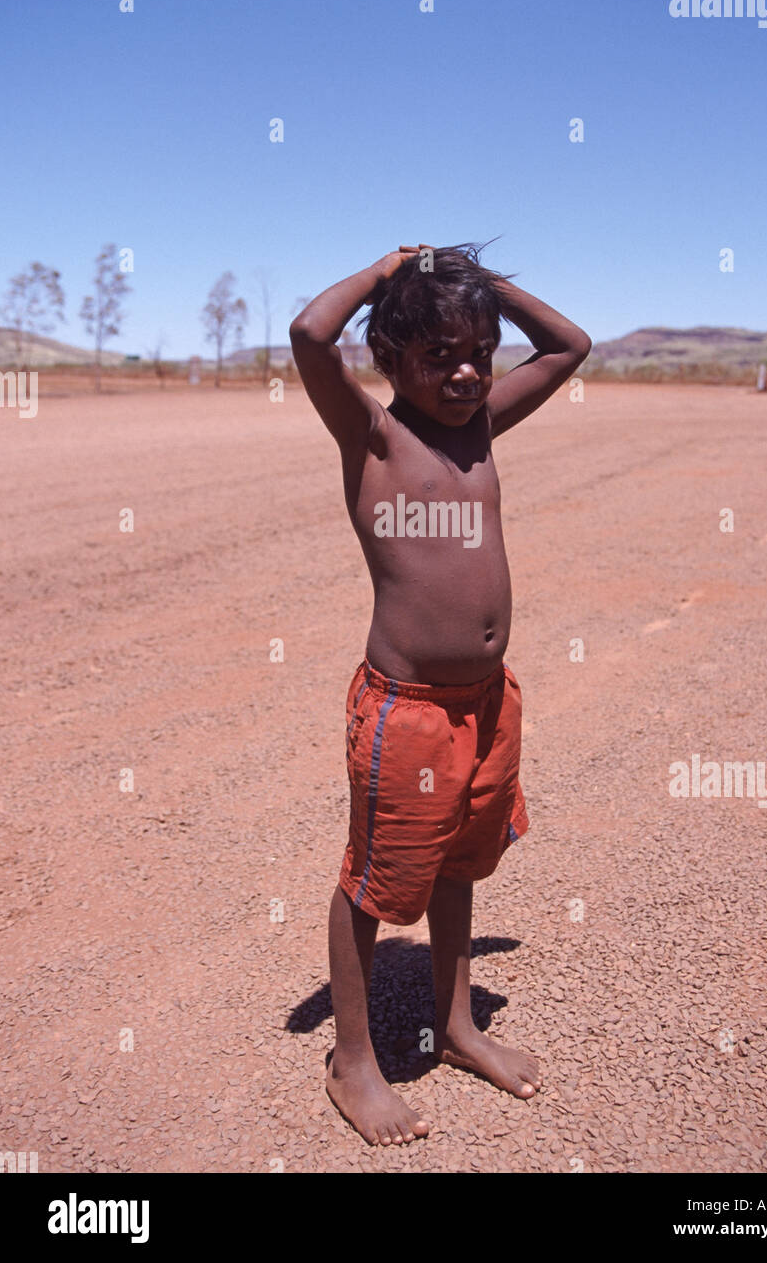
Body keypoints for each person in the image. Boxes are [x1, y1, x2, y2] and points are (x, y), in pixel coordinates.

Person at [290, 242, 591, 1146]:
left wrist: (476, 283)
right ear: (390, 362)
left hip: (489, 702)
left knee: (463, 863)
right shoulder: (375, 435)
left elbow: (570, 345)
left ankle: (457, 1027)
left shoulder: (481, 424)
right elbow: (309, 332)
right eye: (438, 356)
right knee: (377, 881)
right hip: (408, 711)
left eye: (477, 351)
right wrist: (389, 274)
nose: (465, 372)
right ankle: (354, 1061)